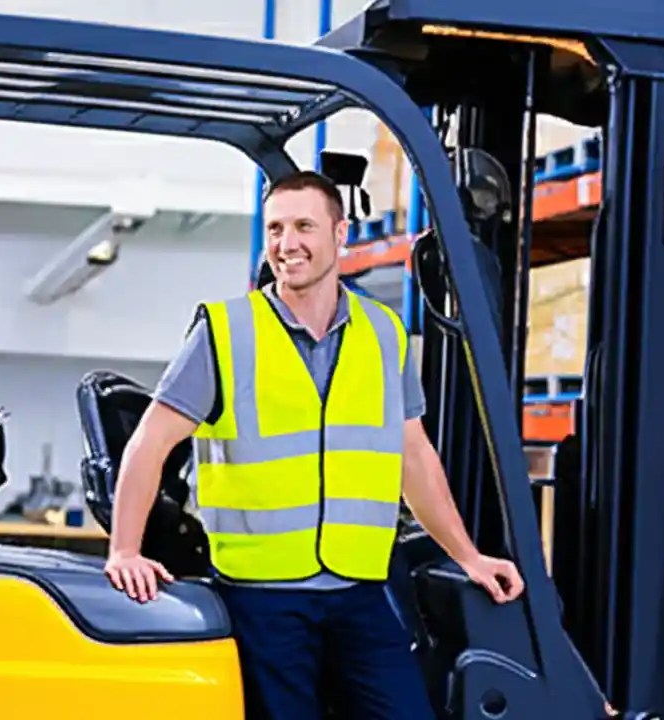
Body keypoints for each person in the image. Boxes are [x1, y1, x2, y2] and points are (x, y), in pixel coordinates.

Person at [103, 170, 525, 719]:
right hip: (262, 597)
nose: (286, 243)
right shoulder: (226, 332)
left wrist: (466, 556)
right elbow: (149, 443)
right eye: (276, 228)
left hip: (359, 591)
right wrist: (124, 550)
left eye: (303, 226)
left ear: (339, 233)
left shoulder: (383, 332)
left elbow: (413, 455)